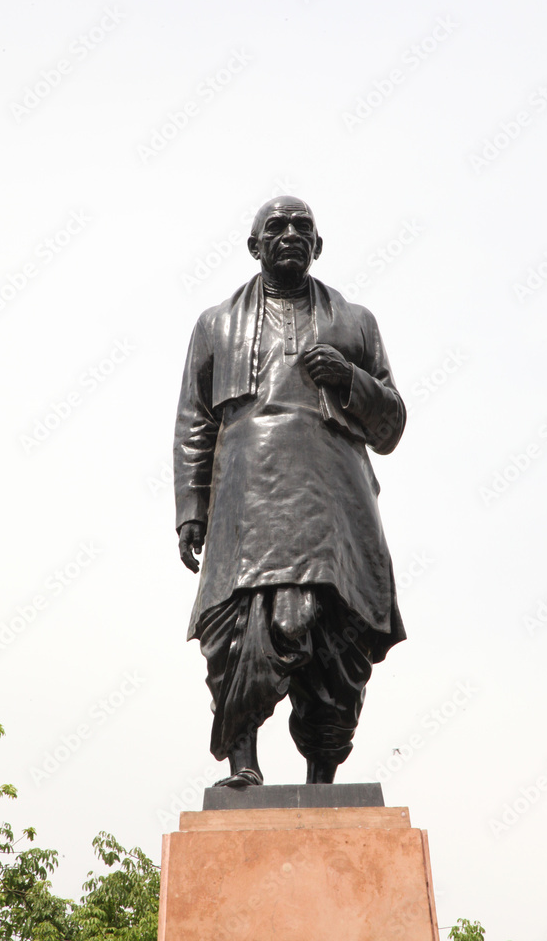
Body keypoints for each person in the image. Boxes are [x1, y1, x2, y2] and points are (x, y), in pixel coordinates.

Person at [174, 196, 406, 786]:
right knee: (234, 631)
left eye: (304, 227)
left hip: (334, 501)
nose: (290, 234)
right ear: (254, 246)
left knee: (336, 634)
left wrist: (350, 379)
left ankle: (322, 780)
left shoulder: (356, 323)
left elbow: (392, 426)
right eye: (275, 227)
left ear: (318, 246)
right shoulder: (215, 324)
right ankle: (243, 767)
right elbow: (195, 423)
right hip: (246, 500)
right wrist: (190, 510)